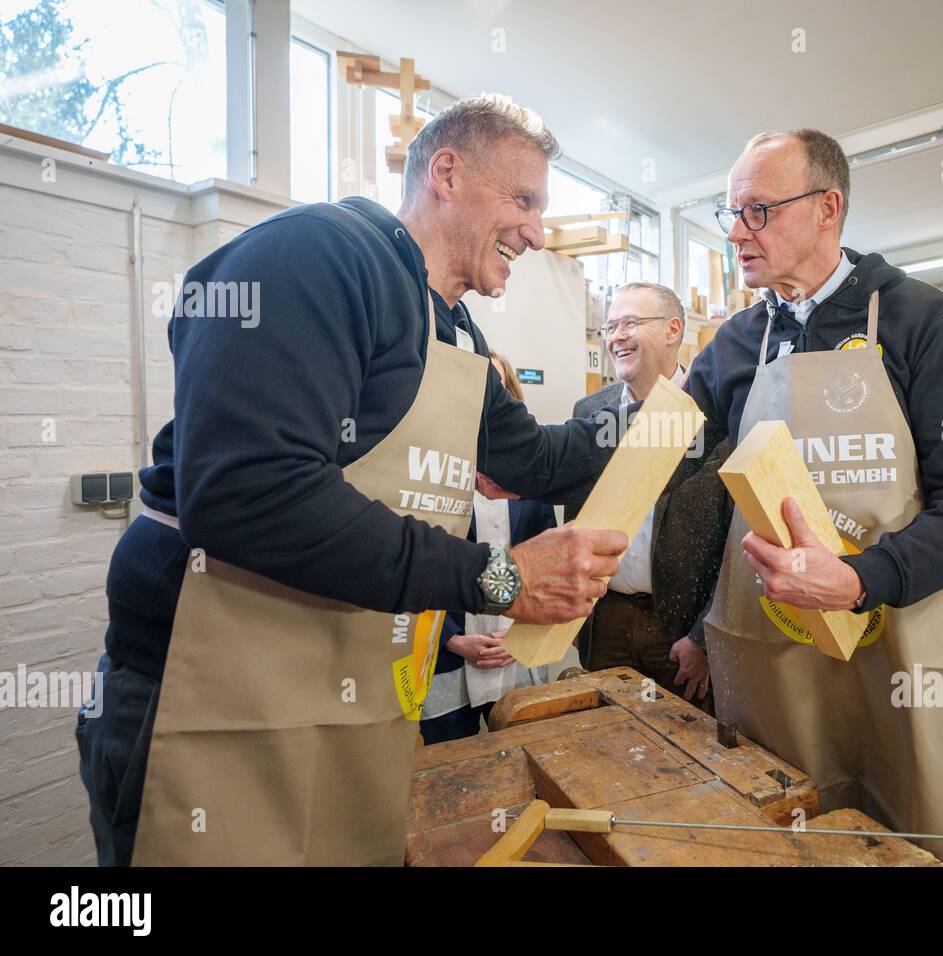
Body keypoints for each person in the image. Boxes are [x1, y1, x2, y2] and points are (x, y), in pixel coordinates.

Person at [76, 94, 633, 866]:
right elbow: (250, 492)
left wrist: (656, 414)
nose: (538, 233)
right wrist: (499, 575)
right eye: (524, 200)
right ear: (446, 172)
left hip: (344, 687)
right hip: (210, 689)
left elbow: (531, 462)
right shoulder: (318, 255)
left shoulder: (452, 327)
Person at [678, 128, 943, 865]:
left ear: (828, 207)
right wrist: (527, 466)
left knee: (924, 824)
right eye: (729, 212)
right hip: (779, 640)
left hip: (906, 634)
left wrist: (862, 576)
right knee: (795, 820)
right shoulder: (735, 343)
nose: (735, 232)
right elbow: (654, 451)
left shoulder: (921, 319)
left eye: (757, 210)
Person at [570, 283, 711, 709]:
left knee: (688, 752)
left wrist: (703, 635)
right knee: (605, 745)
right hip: (605, 619)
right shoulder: (589, 413)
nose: (615, 336)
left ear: (673, 330)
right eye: (610, 326)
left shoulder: (713, 411)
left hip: (680, 632)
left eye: (631, 322)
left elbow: (734, 535)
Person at [420, 351, 560, 743]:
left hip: (517, 651)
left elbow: (546, 562)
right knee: (453, 768)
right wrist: (450, 637)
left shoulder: (531, 478)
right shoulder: (429, 473)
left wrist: (522, 635)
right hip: (449, 657)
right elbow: (418, 563)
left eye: (493, 387)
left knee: (527, 755)